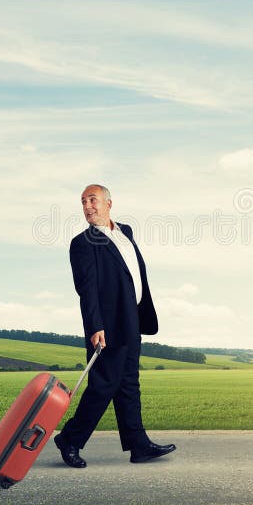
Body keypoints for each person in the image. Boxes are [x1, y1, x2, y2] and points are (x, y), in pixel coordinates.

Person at [53, 183, 176, 467]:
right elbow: (88, 289)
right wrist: (95, 326)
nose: (87, 206)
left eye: (92, 200)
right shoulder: (83, 243)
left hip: (131, 319)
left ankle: (138, 444)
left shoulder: (126, 232)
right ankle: (70, 439)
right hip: (107, 326)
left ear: (109, 203)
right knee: (103, 385)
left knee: (129, 384)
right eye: (83, 202)